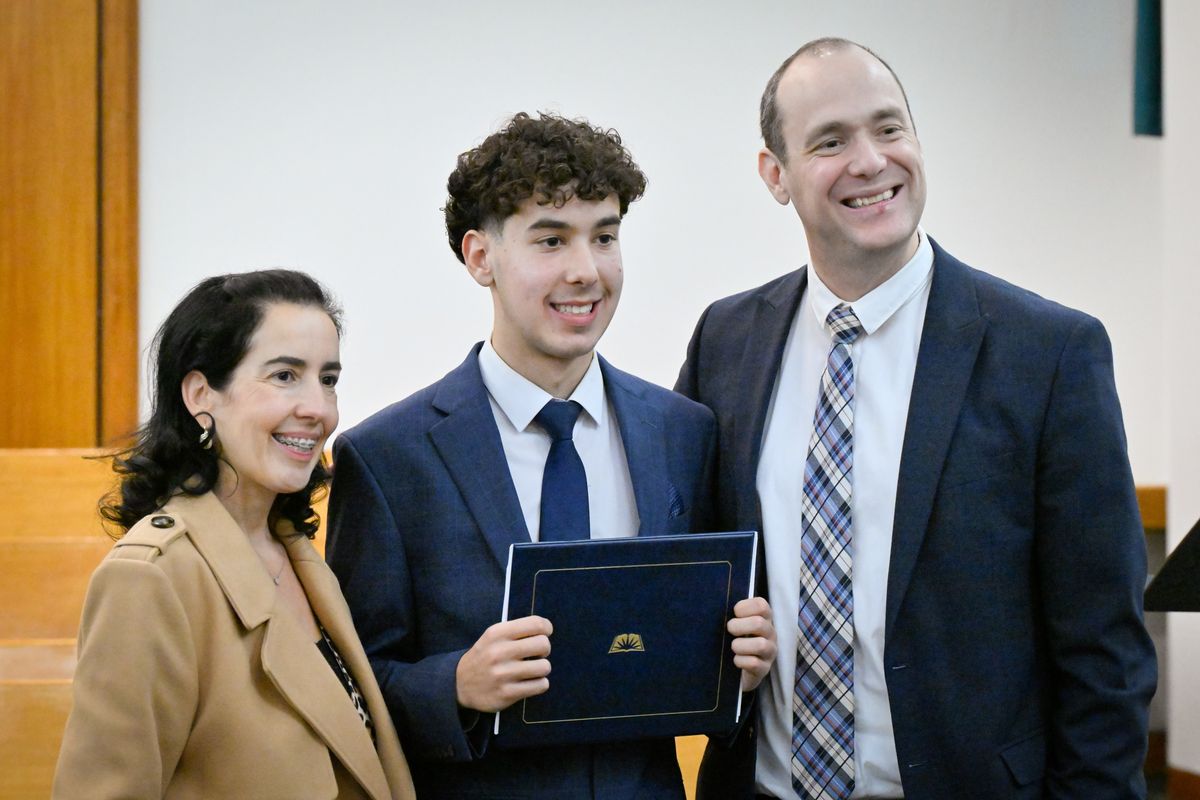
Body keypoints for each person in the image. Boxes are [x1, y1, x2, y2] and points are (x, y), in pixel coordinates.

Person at [676, 38, 1157, 800]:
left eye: (889, 128)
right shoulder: (726, 342)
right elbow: (690, 577)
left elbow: (1106, 653)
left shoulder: (1050, 353)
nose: (870, 161)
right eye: (830, 141)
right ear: (776, 174)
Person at [325, 112, 777, 799]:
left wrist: (738, 666)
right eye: (550, 240)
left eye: (604, 236)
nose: (585, 271)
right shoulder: (387, 458)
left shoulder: (685, 433)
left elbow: (696, 653)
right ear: (481, 258)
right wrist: (456, 685)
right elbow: (353, 680)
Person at [53, 270, 416, 800]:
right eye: (285, 376)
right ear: (202, 394)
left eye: (328, 378)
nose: (318, 408)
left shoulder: (299, 557)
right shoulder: (150, 578)